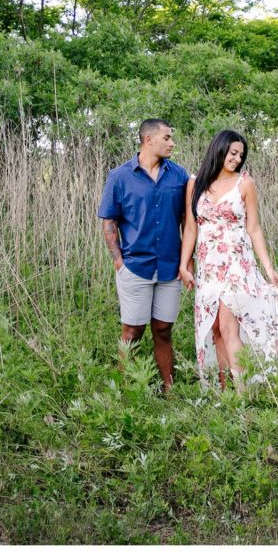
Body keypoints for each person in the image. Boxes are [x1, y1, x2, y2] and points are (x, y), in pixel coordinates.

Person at [178, 128, 278, 390]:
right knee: (214, 328)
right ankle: (225, 389)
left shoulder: (245, 184)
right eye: (233, 152)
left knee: (229, 327)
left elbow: (254, 229)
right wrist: (184, 265)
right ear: (220, 149)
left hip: (236, 266)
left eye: (241, 155)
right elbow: (191, 229)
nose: (238, 159)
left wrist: (269, 268)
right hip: (208, 268)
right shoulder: (195, 184)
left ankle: (242, 394)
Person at [97, 119, 191, 393]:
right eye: (167, 137)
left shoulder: (179, 175)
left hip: (169, 268)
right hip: (135, 267)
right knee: (132, 332)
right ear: (148, 140)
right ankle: (127, 390)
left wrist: (187, 261)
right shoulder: (120, 176)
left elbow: (187, 220)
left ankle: (169, 391)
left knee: (163, 330)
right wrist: (118, 262)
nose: (172, 143)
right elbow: (109, 222)